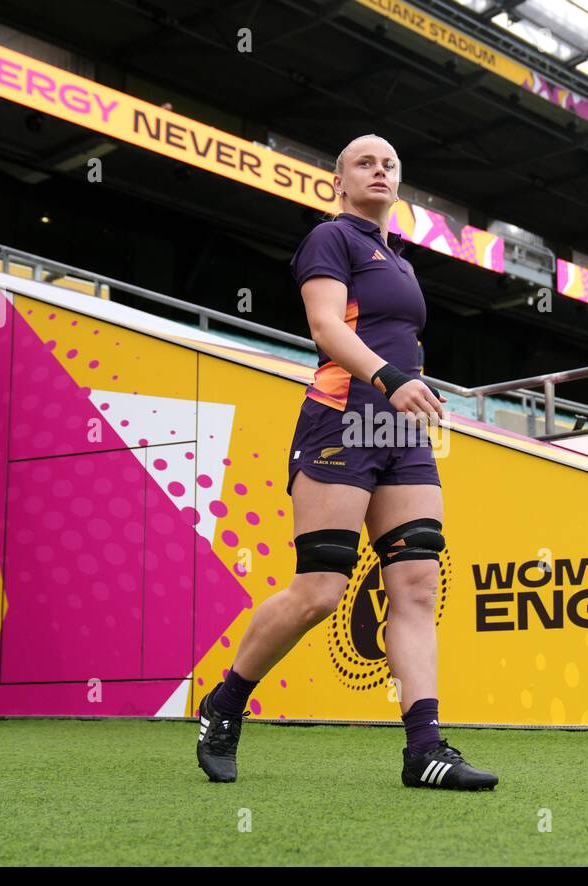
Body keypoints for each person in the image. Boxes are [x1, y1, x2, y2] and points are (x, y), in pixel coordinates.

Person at [195, 133, 498, 790]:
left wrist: (409, 385)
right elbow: (329, 328)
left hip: (403, 430)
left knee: (417, 586)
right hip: (341, 418)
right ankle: (223, 704)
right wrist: (391, 379)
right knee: (321, 590)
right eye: (365, 161)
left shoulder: (402, 261)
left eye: (391, 162)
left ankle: (425, 750)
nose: (381, 169)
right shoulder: (329, 239)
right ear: (339, 179)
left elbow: (394, 337)